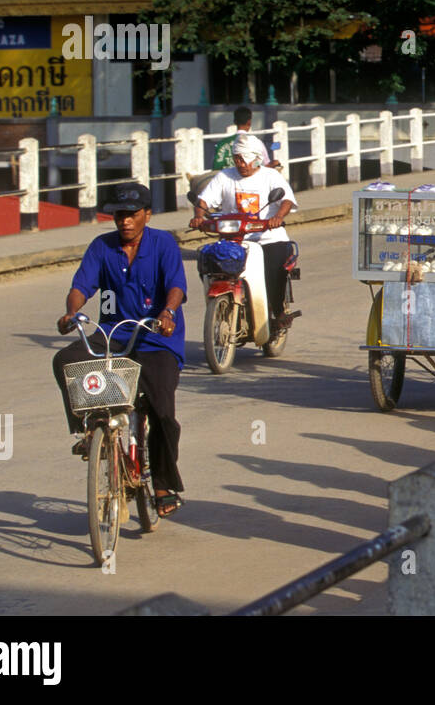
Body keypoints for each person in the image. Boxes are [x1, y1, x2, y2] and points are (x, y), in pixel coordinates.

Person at [54, 182, 187, 517]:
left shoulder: (163, 244)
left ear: (146, 214)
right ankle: (86, 428)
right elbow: (81, 286)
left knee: (163, 413)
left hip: (157, 337)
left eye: (132, 214)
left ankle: (161, 484)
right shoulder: (102, 246)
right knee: (66, 359)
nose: (125, 221)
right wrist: (72, 312)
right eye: (119, 215)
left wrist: (167, 313)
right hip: (113, 333)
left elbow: (176, 286)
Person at [191, 133, 299, 337]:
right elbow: (203, 202)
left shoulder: (270, 176)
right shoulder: (225, 176)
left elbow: (286, 200)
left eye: (244, 159)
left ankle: (275, 313)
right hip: (233, 240)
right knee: (208, 263)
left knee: (273, 271)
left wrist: (277, 217)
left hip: (268, 237)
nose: (240, 163)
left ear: (256, 158)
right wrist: (198, 216)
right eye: (237, 158)